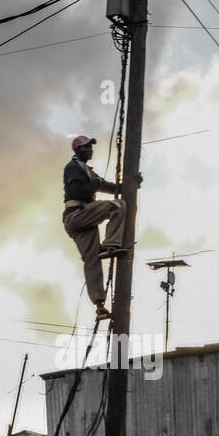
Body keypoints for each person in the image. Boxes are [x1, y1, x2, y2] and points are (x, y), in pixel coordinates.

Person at [63, 135, 133, 321]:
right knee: (117, 205)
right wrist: (95, 184)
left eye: (91, 147)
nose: (90, 150)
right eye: (86, 147)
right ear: (78, 150)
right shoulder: (73, 168)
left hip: (81, 222)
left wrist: (131, 185)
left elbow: (109, 187)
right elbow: (77, 191)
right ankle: (110, 243)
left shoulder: (86, 170)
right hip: (77, 214)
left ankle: (99, 305)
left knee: (92, 260)